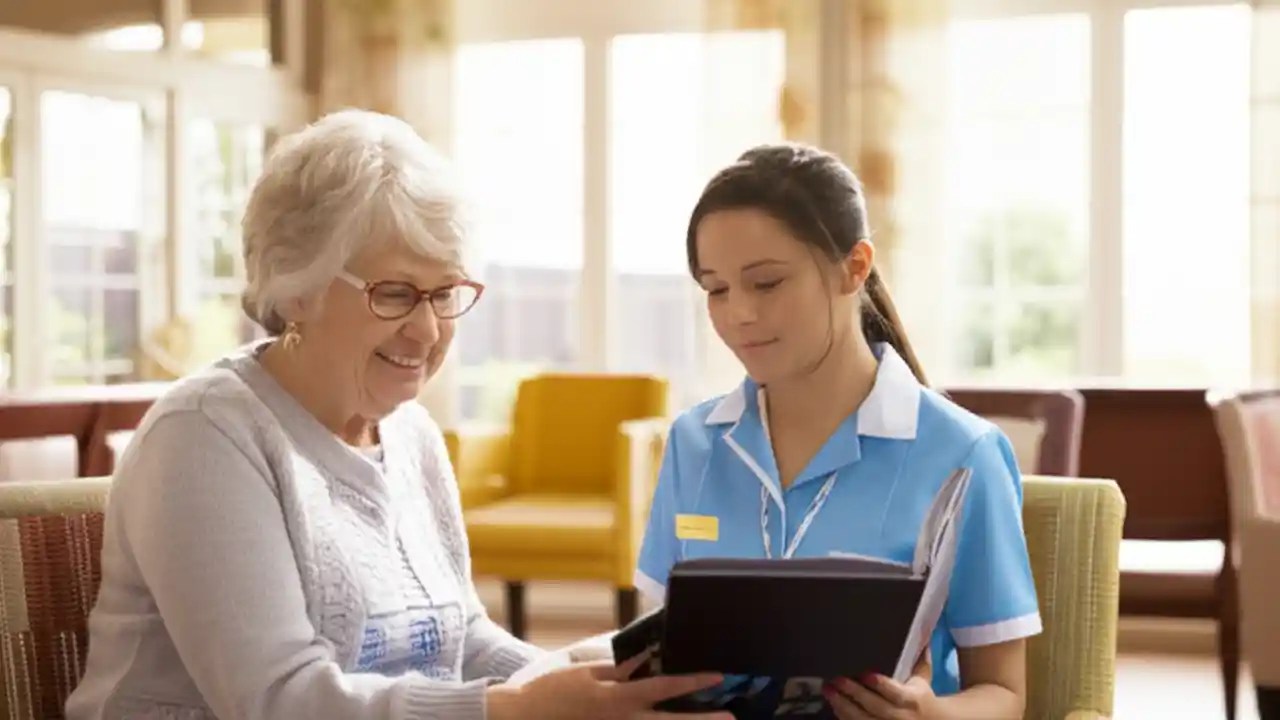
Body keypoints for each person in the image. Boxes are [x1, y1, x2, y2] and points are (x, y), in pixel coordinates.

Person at [65, 109, 730, 720]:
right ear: (296, 287)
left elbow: (458, 639)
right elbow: (276, 700)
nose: (427, 330)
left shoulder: (410, 435)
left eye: (445, 294)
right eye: (395, 294)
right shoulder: (206, 436)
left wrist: (600, 683)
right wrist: (517, 712)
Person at [634, 144, 1042, 720]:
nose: (739, 314)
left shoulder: (963, 454)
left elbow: (1005, 695)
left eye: (767, 283)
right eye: (716, 290)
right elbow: (649, 664)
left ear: (855, 267)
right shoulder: (693, 442)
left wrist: (931, 716)